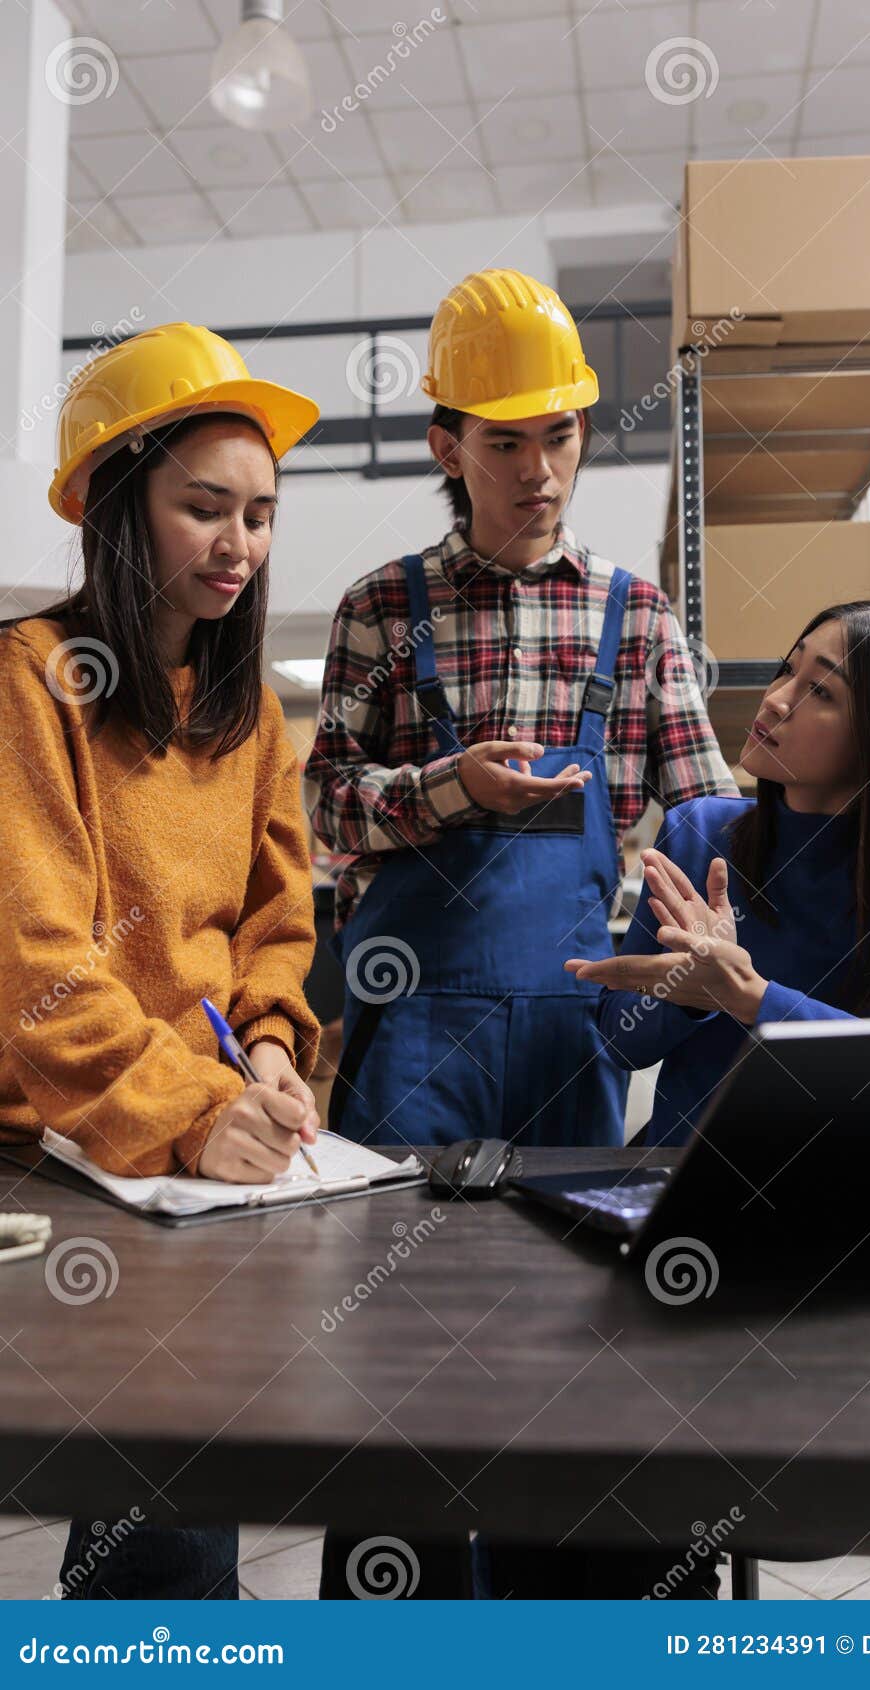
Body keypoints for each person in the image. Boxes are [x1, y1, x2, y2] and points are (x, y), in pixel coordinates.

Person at [306, 268, 737, 1597]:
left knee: (566, 1378)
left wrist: (772, 916)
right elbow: (321, 797)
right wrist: (447, 790)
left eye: (559, 434)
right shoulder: (382, 607)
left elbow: (707, 806)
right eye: (505, 440)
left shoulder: (636, 612)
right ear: (447, 444)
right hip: (412, 1053)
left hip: (565, 1051)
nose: (540, 467)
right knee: (403, 1392)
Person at [0, 321, 322, 1598]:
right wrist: (195, 1110)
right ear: (122, 505)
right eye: (205, 508)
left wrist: (276, 1052)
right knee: (170, 1486)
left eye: (259, 513)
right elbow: (39, 965)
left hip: (203, 1150)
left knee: (191, 1483)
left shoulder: (251, 717)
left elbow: (275, 926)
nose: (239, 544)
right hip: (59, 1146)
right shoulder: (32, 682)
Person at [569, 600, 870, 1148]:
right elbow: (623, 1043)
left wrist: (752, 998)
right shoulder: (699, 832)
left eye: (822, 692)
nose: (777, 699)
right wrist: (685, 996)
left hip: (841, 1198)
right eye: (789, 669)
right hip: (680, 1187)